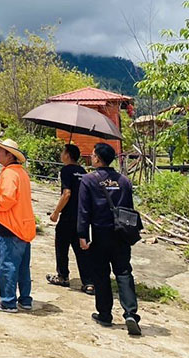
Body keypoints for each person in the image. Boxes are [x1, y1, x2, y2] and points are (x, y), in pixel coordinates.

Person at [78, 141, 142, 336]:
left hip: (100, 233)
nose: (92, 156)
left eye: (93, 154)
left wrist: (82, 234)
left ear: (97, 158)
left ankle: (105, 314)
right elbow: (129, 209)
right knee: (123, 272)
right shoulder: (124, 181)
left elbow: (84, 210)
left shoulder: (89, 180)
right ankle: (130, 313)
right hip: (121, 234)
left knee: (101, 274)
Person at [0, 137, 36, 313]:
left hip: (9, 225)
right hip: (24, 225)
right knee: (22, 267)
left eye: (0, 151)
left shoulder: (8, 174)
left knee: (6, 265)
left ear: (8, 155)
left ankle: (8, 302)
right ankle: (25, 299)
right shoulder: (21, 173)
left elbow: (7, 200)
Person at [46, 144, 93, 293]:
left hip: (68, 216)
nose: (61, 154)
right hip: (82, 217)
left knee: (61, 245)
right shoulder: (84, 172)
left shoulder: (66, 170)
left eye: (62, 151)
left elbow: (67, 194)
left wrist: (55, 213)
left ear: (67, 155)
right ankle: (89, 282)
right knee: (82, 249)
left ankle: (63, 276)